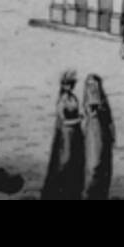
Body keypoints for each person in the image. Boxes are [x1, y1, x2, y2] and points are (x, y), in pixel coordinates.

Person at [41, 70, 85, 200]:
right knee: (64, 163)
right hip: (66, 136)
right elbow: (63, 120)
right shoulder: (62, 100)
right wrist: (78, 120)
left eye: (72, 84)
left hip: (75, 135)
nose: (70, 86)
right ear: (63, 85)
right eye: (68, 84)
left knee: (75, 163)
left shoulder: (74, 98)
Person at [82, 73, 114, 200]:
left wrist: (112, 134)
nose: (93, 87)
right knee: (93, 163)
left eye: (95, 84)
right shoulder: (89, 98)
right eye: (89, 84)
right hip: (93, 131)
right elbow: (88, 111)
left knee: (103, 164)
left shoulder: (103, 100)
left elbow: (109, 119)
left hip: (102, 132)